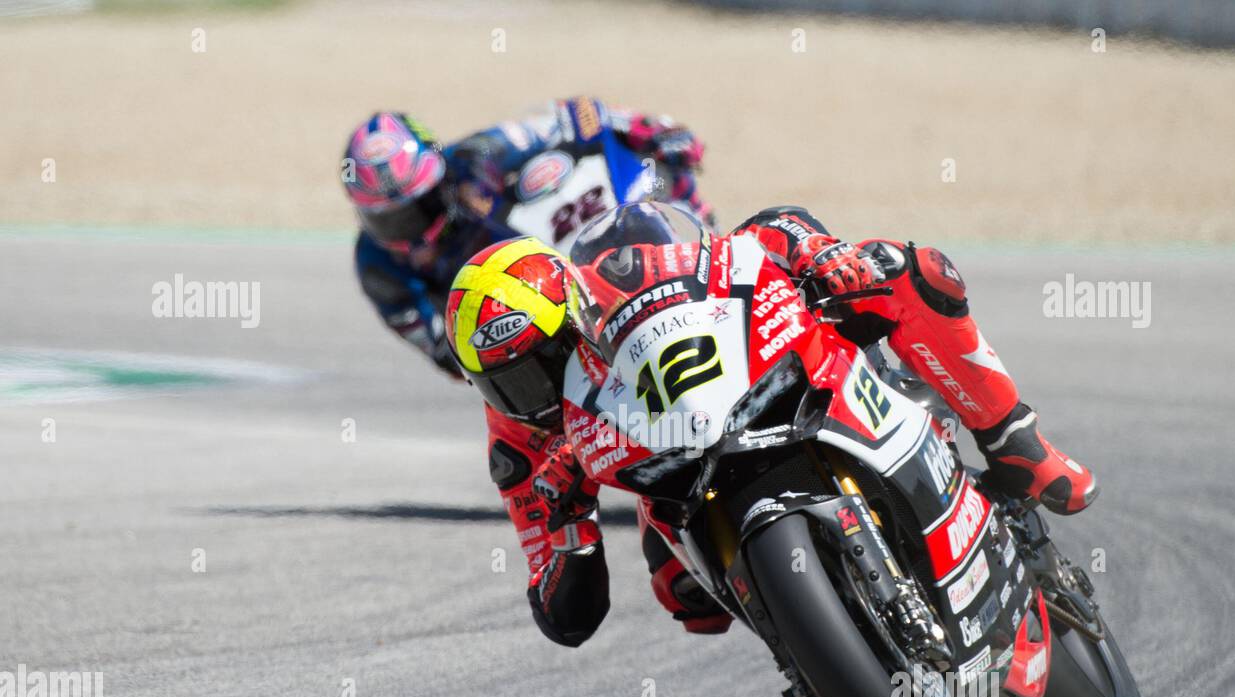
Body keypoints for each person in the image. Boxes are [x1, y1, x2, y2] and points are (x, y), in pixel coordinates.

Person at [445, 203, 1097, 647]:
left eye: (545, 360)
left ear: (577, 313)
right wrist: (568, 536)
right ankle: (826, 649)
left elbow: (759, 235)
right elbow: (567, 617)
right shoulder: (518, 444)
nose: (532, 392)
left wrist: (819, 254)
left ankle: (1020, 446)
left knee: (910, 271)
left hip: (757, 378)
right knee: (682, 595)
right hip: (677, 472)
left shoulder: (618, 275)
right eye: (506, 382)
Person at [340, 100, 712, 378]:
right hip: (528, 344)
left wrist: (646, 130)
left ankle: (701, 252)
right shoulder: (378, 266)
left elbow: (579, 114)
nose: (411, 232)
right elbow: (446, 355)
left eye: (416, 209)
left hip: (562, 261)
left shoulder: (477, 155)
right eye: (386, 220)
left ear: (438, 177)